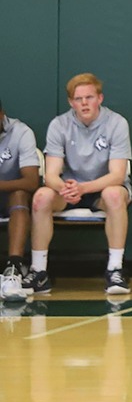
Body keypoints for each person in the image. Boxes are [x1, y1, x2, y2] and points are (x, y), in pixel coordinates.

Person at [28, 73, 132, 294]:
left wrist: (83, 188)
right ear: (71, 102)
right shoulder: (59, 125)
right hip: (67, 192)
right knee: (41, 197)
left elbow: (117, 175)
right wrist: (64, 188)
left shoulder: (117, 123)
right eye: (78, 99)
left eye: (89, 97)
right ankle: (38, 272)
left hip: (101, 191)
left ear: (100, 98)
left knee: (115, 194)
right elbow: (51, 175)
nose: (84, 103)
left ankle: (115, 270)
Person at [0, 101, 43, 302]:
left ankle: (14, 268)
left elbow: (31, 181)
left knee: (19, 193)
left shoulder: (21, 132)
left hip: (13, 200)